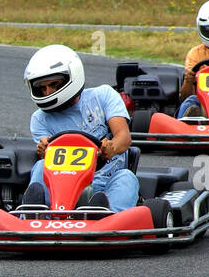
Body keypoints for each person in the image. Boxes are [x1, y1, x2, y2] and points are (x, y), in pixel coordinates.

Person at [21, 44, 139, 212]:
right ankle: (35, 214)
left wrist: (110, 148)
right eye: (42, 87)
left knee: (127, 178)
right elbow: (46, 155)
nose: (48, 92)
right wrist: (44, 149)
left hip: (106, 183)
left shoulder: (103, 96)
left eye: (54, 84)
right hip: (62, 190)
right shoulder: (40, 119)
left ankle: (102, 216)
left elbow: (124, 137)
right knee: (40, 166)